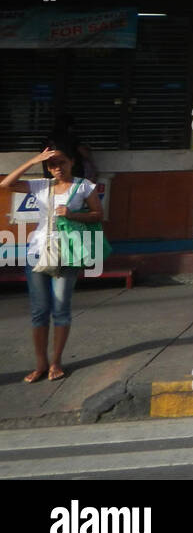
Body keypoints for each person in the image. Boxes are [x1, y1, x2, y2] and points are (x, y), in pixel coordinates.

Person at [2, 143, 104, 383]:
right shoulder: (40, 185)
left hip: (67, 253)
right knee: (39, 311)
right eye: (51, 165)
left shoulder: (83, 186)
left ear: (71, 162)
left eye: (61, 163)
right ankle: (40, 363)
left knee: (61, 310)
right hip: (37, 252)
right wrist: (32, 161)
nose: (57, 168)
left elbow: (98, 214)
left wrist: (72, 214)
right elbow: (5, 185)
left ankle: (56, 362)